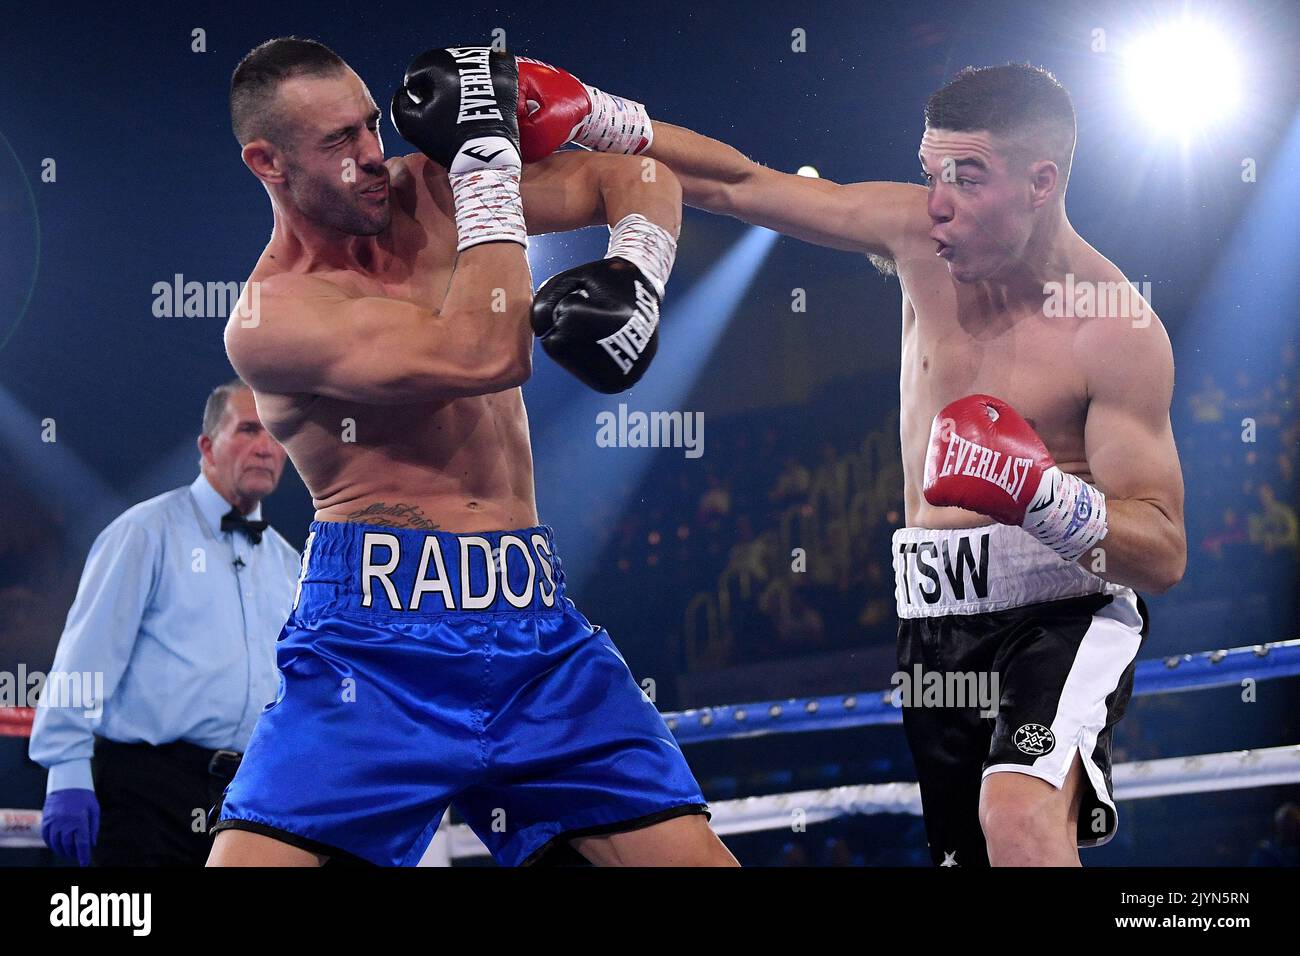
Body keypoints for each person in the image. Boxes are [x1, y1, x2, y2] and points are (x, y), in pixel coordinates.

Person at [518, 59, 1187, 866]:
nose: (937, 201)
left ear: (1041, 181)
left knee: (1017, 818)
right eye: (930, 172)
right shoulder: (917, 239)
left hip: (1062, 618)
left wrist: (1039, 493)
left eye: (967, 178)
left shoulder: (1115, 328)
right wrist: (599, 112)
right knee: (969, 852)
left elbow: (1162, 552)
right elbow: (737, 184)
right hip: (934, 625)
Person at [208, 38, 735, 867]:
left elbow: (635, 176)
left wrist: (638, 270)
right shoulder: (272, 317)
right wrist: (486, 160)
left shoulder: (428, 189)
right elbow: (483, 353)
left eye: (371, 125)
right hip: (371, 650)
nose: (374, 155)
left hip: (533, 621)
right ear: (266, 161)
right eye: (339, 142)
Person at [30, 379, 299, 865]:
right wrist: (66, 771)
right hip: (147, 789)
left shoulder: (287, 563)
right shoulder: (144, 532)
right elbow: (84, 656)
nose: (264, 448)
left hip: (252, 797)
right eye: (246, 431)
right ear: (206, 447)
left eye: (275, 436)